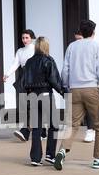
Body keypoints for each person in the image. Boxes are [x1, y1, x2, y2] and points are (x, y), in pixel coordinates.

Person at [52, 20, 99, 170]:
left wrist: (65, 86)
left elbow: (65, 69)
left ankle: (61, 151)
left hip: (74, 90)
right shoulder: (97, 46)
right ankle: (98, 160)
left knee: (72, 125)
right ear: (93, 32)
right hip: (91, 90)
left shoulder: (72, 47)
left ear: (81, 32)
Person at [21, 37, 66, 167]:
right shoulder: (48, 60)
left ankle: (35, 158)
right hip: (46, 95)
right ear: (46, 46)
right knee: (54, 125)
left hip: (32, 96)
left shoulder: (29, 62)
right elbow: (54, 80)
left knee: (36, 127)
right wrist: (63, 92)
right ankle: (50, 155)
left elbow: (23, 82)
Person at [3, 28, 36, 142]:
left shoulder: (36, 49)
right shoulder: (20, 51)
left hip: (35, 78)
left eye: (27, 37)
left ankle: (29, 130)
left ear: (32, 38)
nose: (24, 40)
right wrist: (7, 74)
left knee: (33, 104)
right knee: (25, 104)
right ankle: (32, 130)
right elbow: (15, 63)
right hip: (24, 78)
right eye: (23, 38)